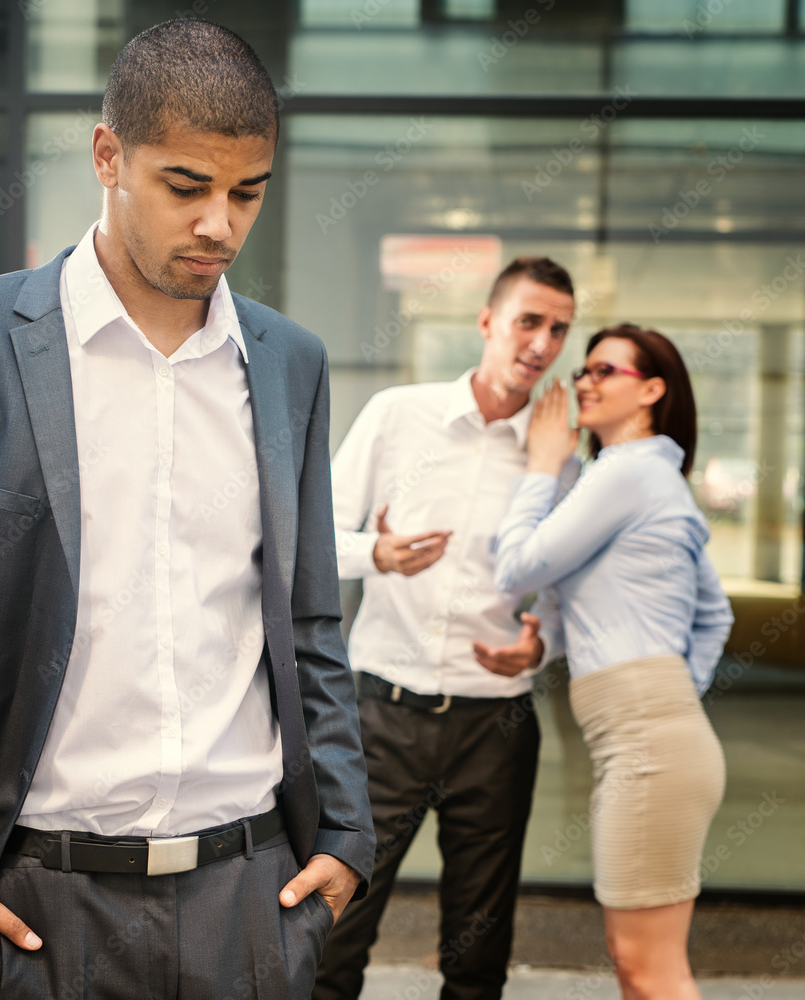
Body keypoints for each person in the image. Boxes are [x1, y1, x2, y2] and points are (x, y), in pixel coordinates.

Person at [0, 19, 373, 1000]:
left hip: (254, 903)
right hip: (37, 908)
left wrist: (346, 833)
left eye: (247, 193)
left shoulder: (291, 363)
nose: (220, 226)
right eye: (186, 186)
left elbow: (309, 617)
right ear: (108, 155)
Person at [313, 257, 577, 1000]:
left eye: (559, 329)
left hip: (495, 728)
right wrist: (377, 554)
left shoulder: (556, 456)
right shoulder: (400, 415)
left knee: (478, 952)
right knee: (333, 938)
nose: (542, 343)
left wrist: (541, 644)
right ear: (488, 321)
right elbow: (313, 538)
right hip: (382, 720)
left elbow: (560, 590)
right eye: (529, 321)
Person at [492, 324, 733, 999]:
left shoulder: (627, 471)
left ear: (653, 389)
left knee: (648, 966)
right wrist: (663, 692)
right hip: (646, 734)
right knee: (635, 960)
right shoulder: (649, 478)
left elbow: (516, 567)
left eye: (605, 371)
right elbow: (715, 614)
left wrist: (542, 466)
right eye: (583, 372)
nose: (584, 383)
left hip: (649, 739)